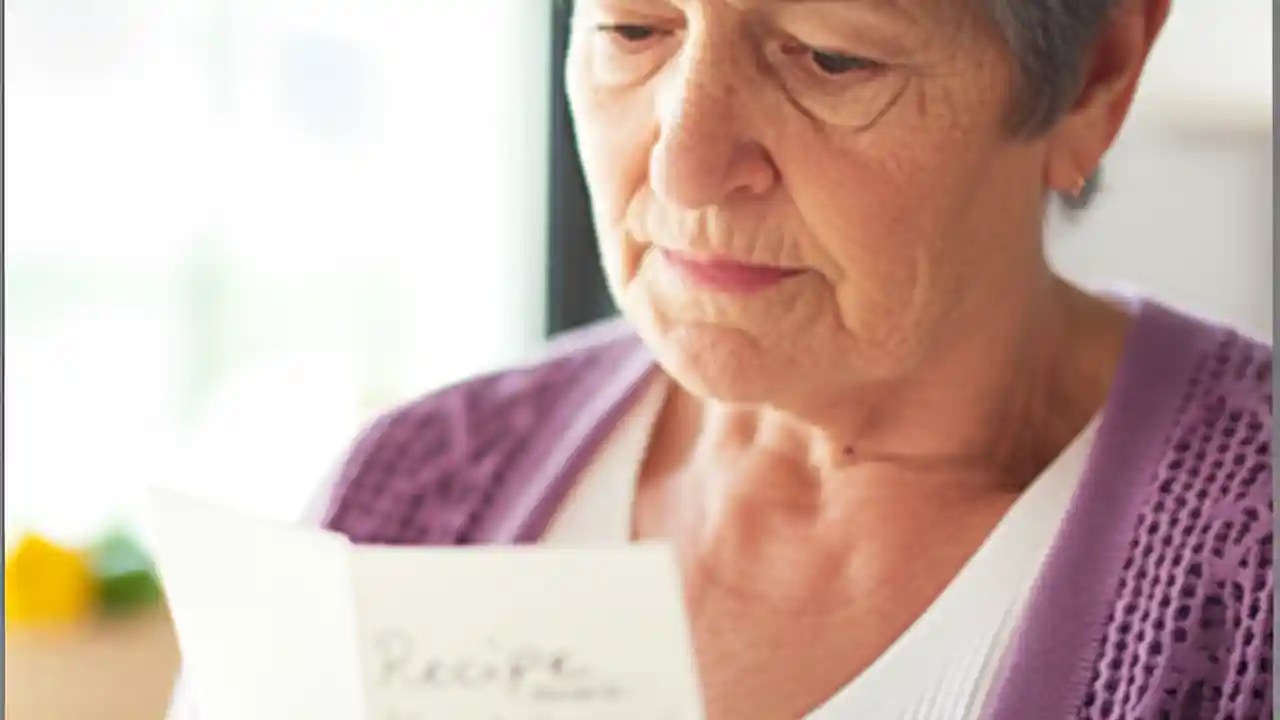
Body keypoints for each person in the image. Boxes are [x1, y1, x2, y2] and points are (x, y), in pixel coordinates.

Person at [320, 1, 1273, 718]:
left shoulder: (1251, 569)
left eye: (830, 57)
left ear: (1094, 73)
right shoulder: (407, 495)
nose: (682, 164)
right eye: (631, 29)